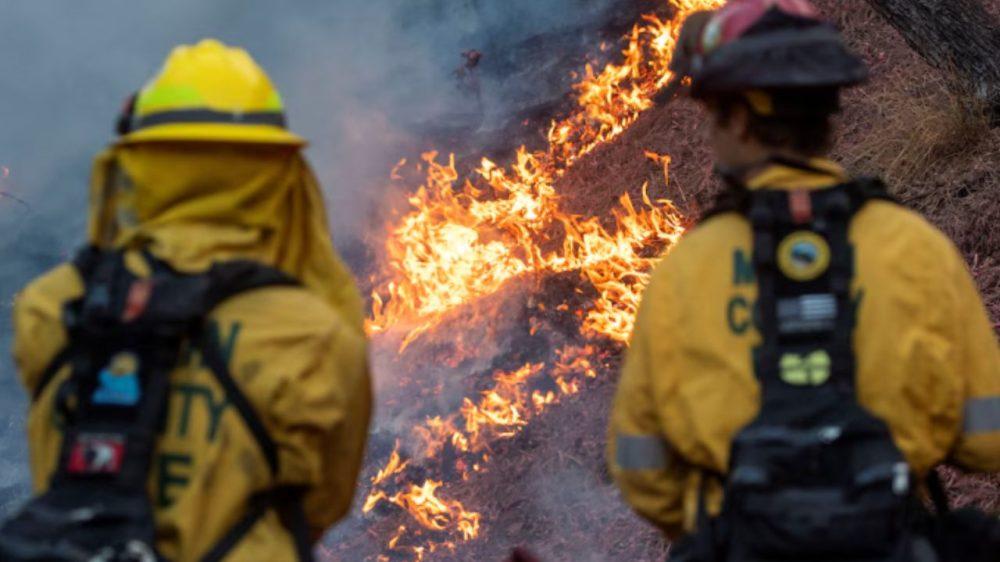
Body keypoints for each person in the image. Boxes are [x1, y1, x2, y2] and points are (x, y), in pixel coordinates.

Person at [608, 1, 999, 560]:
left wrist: (721, 525)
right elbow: (985, 438)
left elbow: (642, 467)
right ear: (827, 109)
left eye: (713, 111)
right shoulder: (914, 248)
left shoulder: (685, 272)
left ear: (739, 118)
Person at [3, 39, 371, 561]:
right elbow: (323, 504)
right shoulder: (309, 332)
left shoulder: (50, 305)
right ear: (274, 170)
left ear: (139, 164)